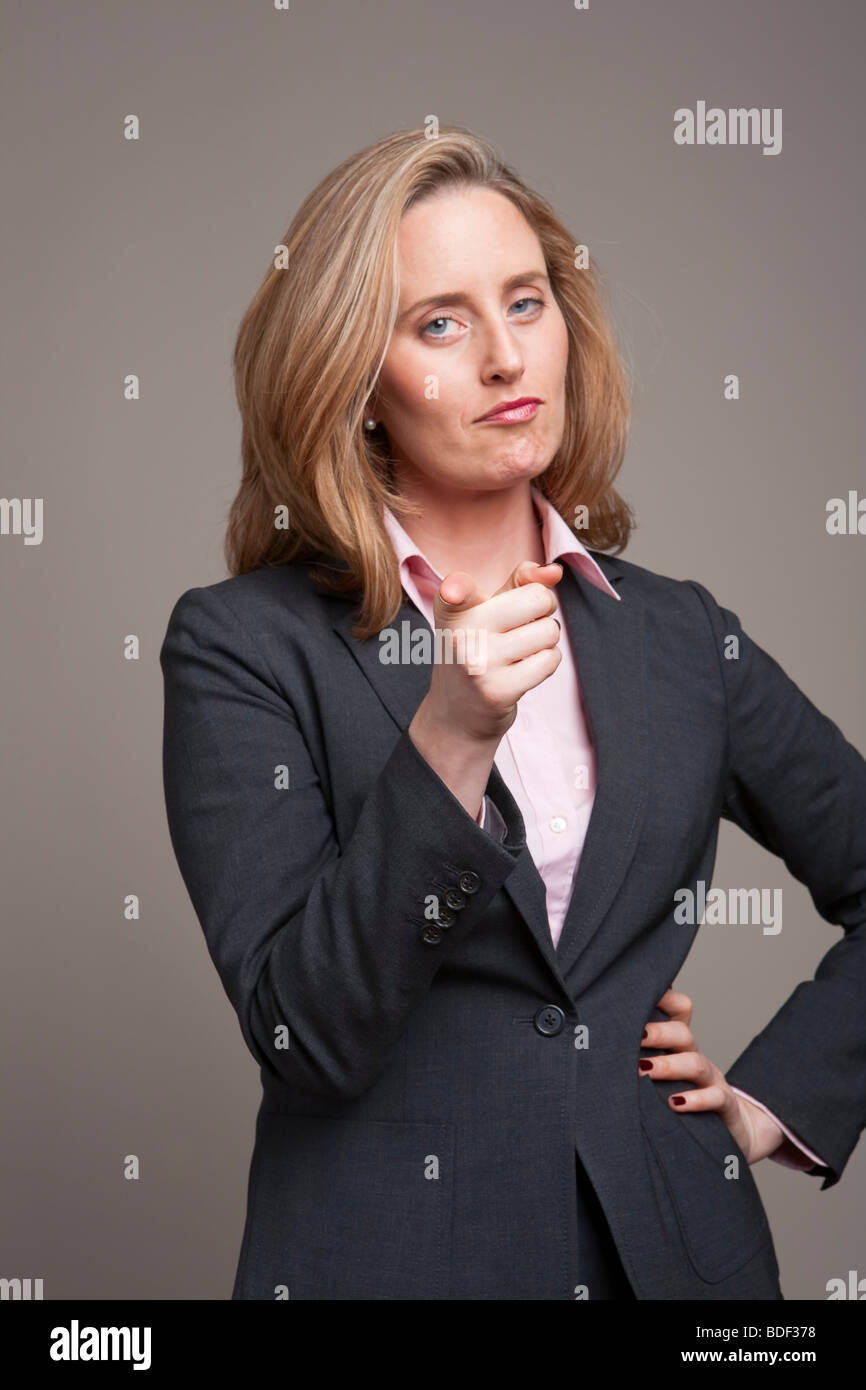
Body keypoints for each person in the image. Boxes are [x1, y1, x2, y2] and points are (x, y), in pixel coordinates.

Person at [160, 126, 866, 1300]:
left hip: (678, 1268)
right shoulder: (241, 647)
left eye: (525, 302)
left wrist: (765, 1102)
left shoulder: (681, 635)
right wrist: (447, 735)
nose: (502, 357)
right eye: (438, 321)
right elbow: (308, 1038)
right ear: (355, 379)